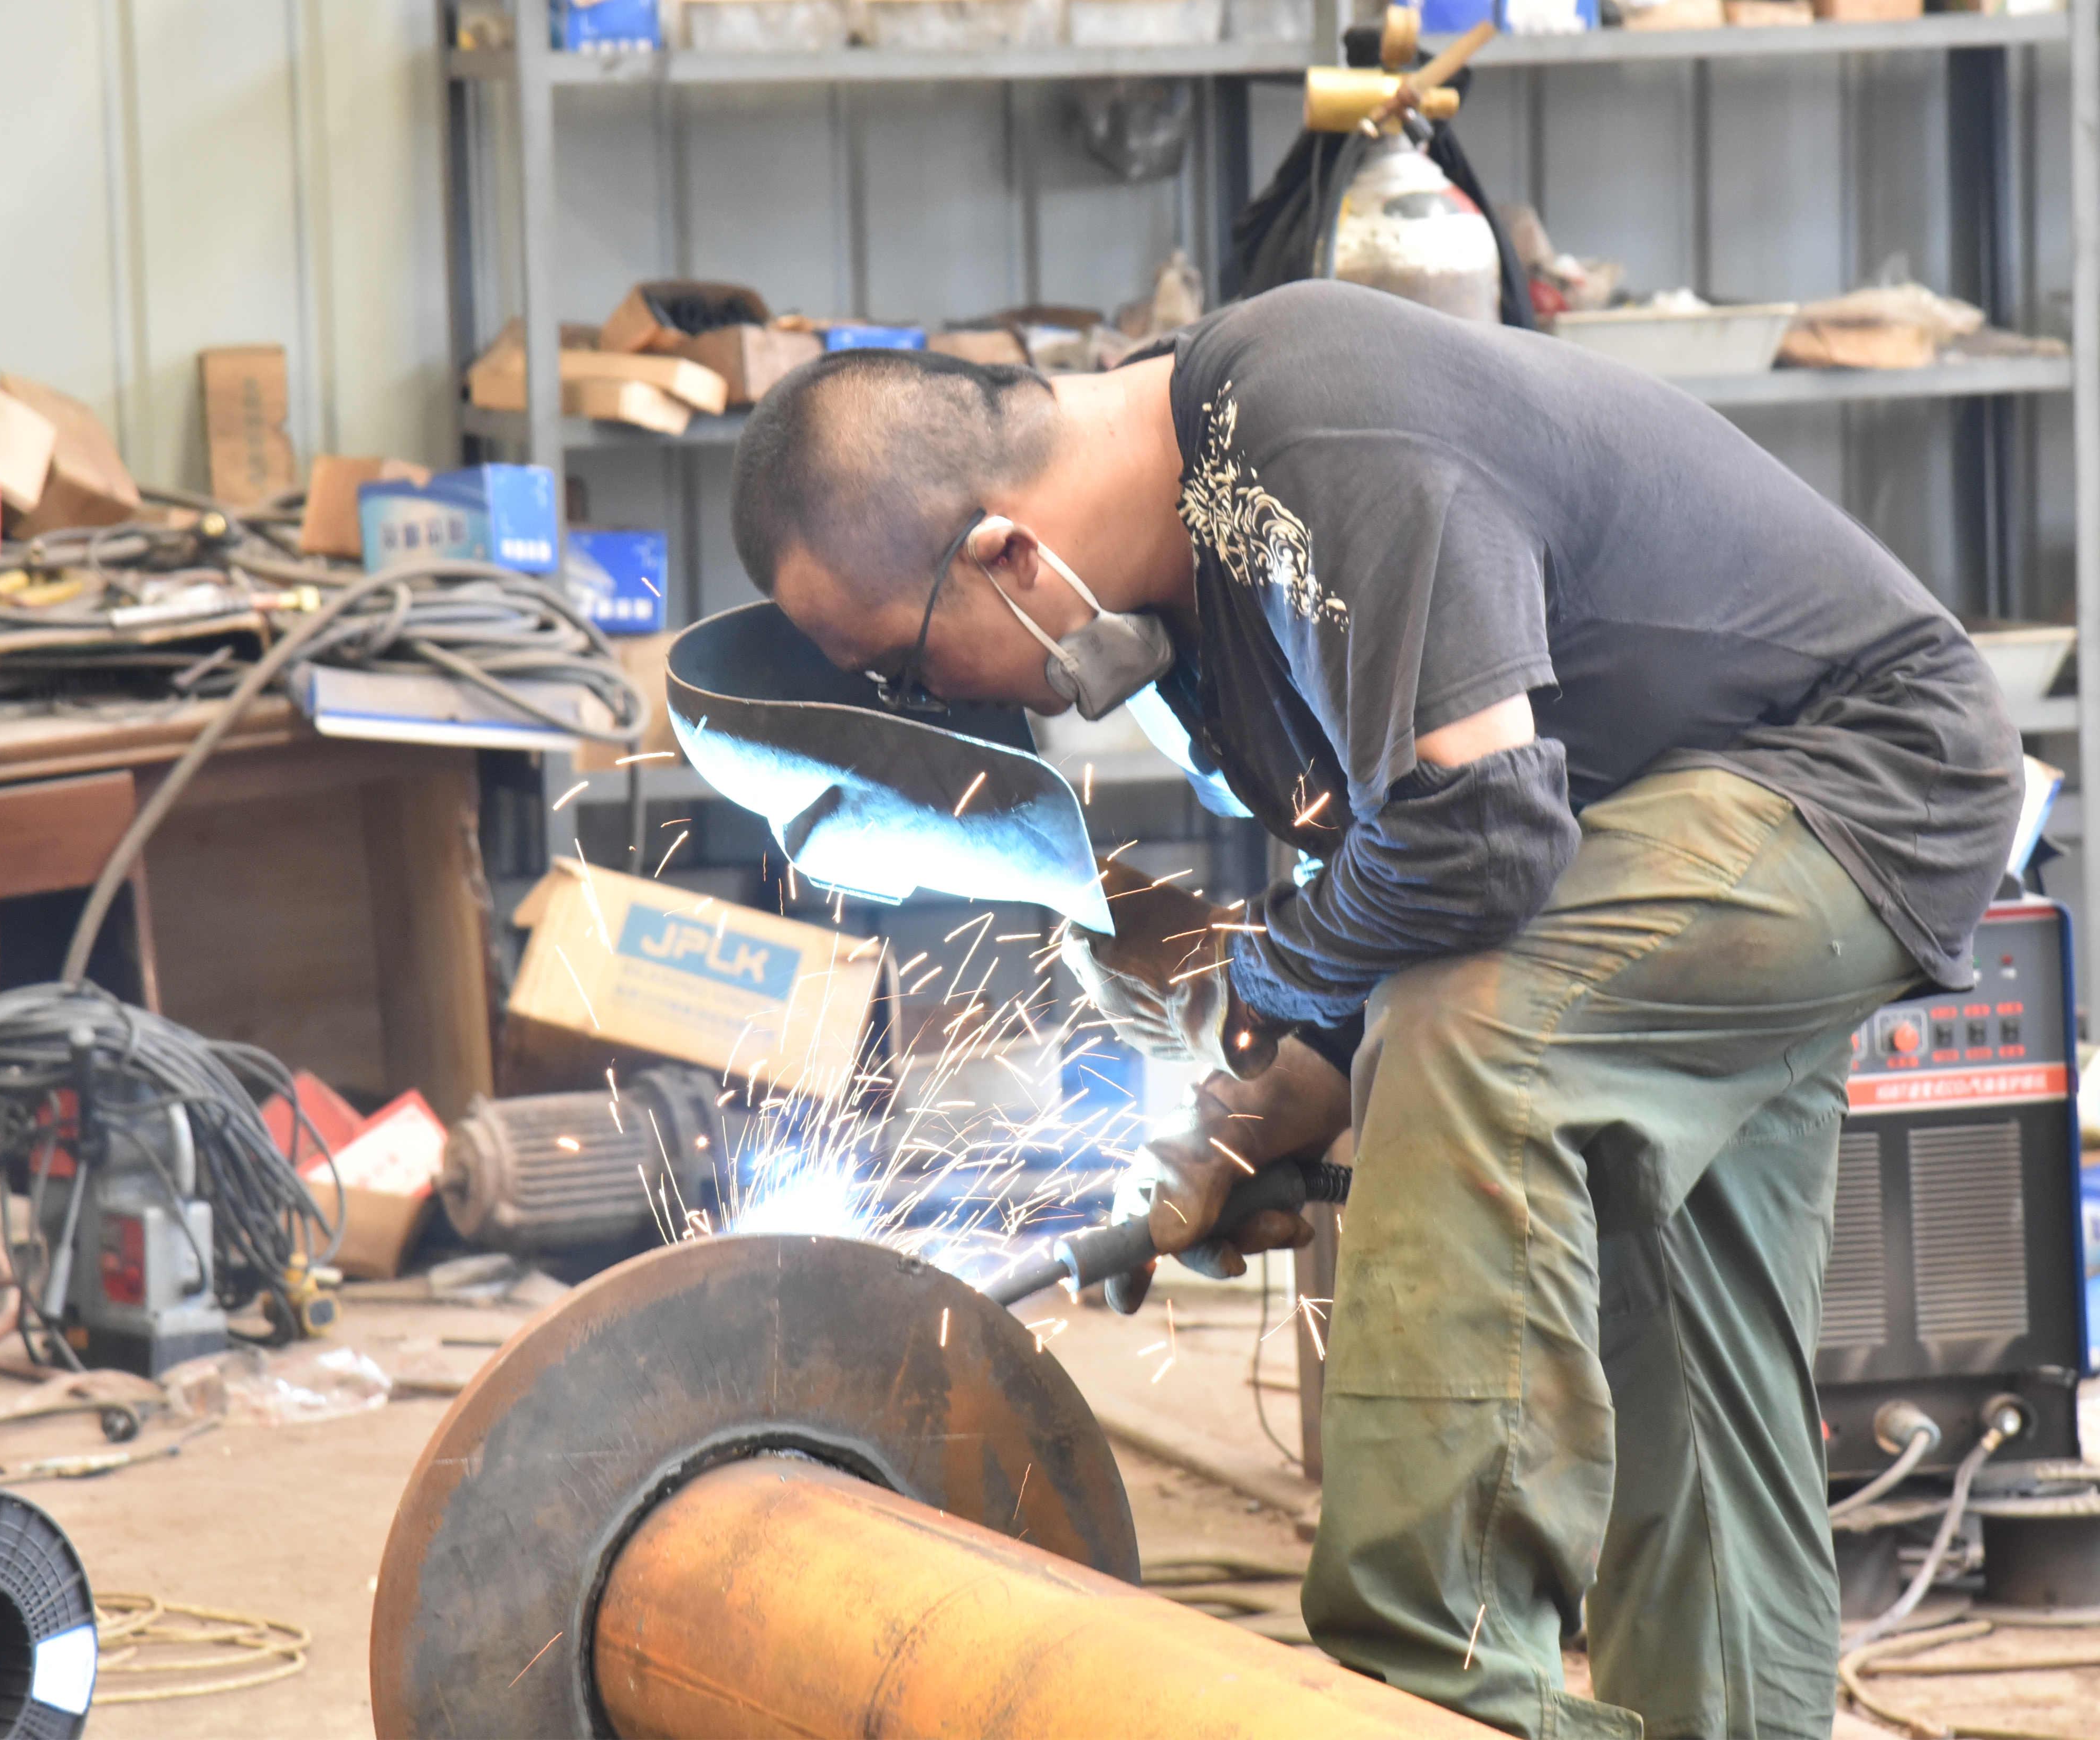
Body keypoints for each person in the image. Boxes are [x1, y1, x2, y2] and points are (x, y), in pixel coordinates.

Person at [728, 278, 2022, 1740]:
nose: (931, 704)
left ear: (1005, 554)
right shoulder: (1201, 583)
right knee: (1681, 1339)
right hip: (1669, 821)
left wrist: (1262, 995)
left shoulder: (1306, 430)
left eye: (905, 667)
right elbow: (1409, 860)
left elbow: (1483, 832)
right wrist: (1297, 1083)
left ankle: (1436, 1696)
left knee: (1475, 1031)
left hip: (1856, 771)